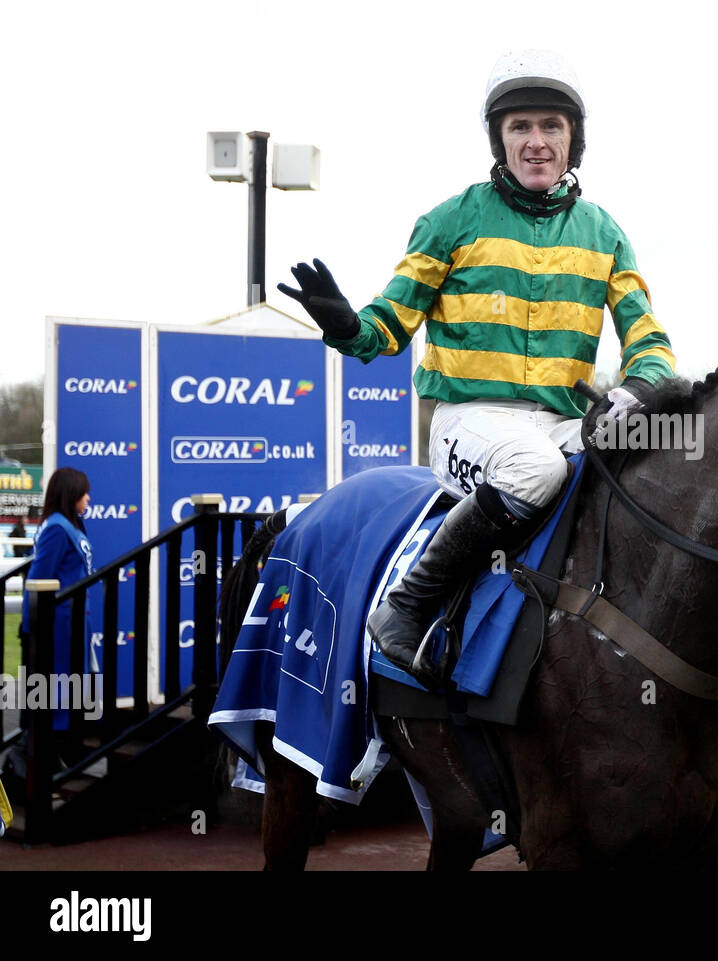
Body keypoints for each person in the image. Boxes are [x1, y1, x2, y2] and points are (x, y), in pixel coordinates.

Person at [278, 51, 674, 684]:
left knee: (658, 458)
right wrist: (347, 327)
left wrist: (641, 384)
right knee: (535, 469)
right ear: (500, 140)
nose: (537, 142)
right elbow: (387, 328)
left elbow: (647, 337)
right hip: (472, 421)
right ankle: (407, 606)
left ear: (574, 141)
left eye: (551, 126)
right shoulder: (451, 220)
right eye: (520, 127)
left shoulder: (606, 234)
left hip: (565, 421)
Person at [20, 468, 95, 736]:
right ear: (70, 492)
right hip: (60, 622)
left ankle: (61, 740)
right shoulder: (57, 527)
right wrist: (29, 624)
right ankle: (50, 745)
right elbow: (39, 578)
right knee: (60, 686)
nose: (88, 498)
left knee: (72, 684)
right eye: (83, 492)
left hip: (75, 618)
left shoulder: (67, 524)